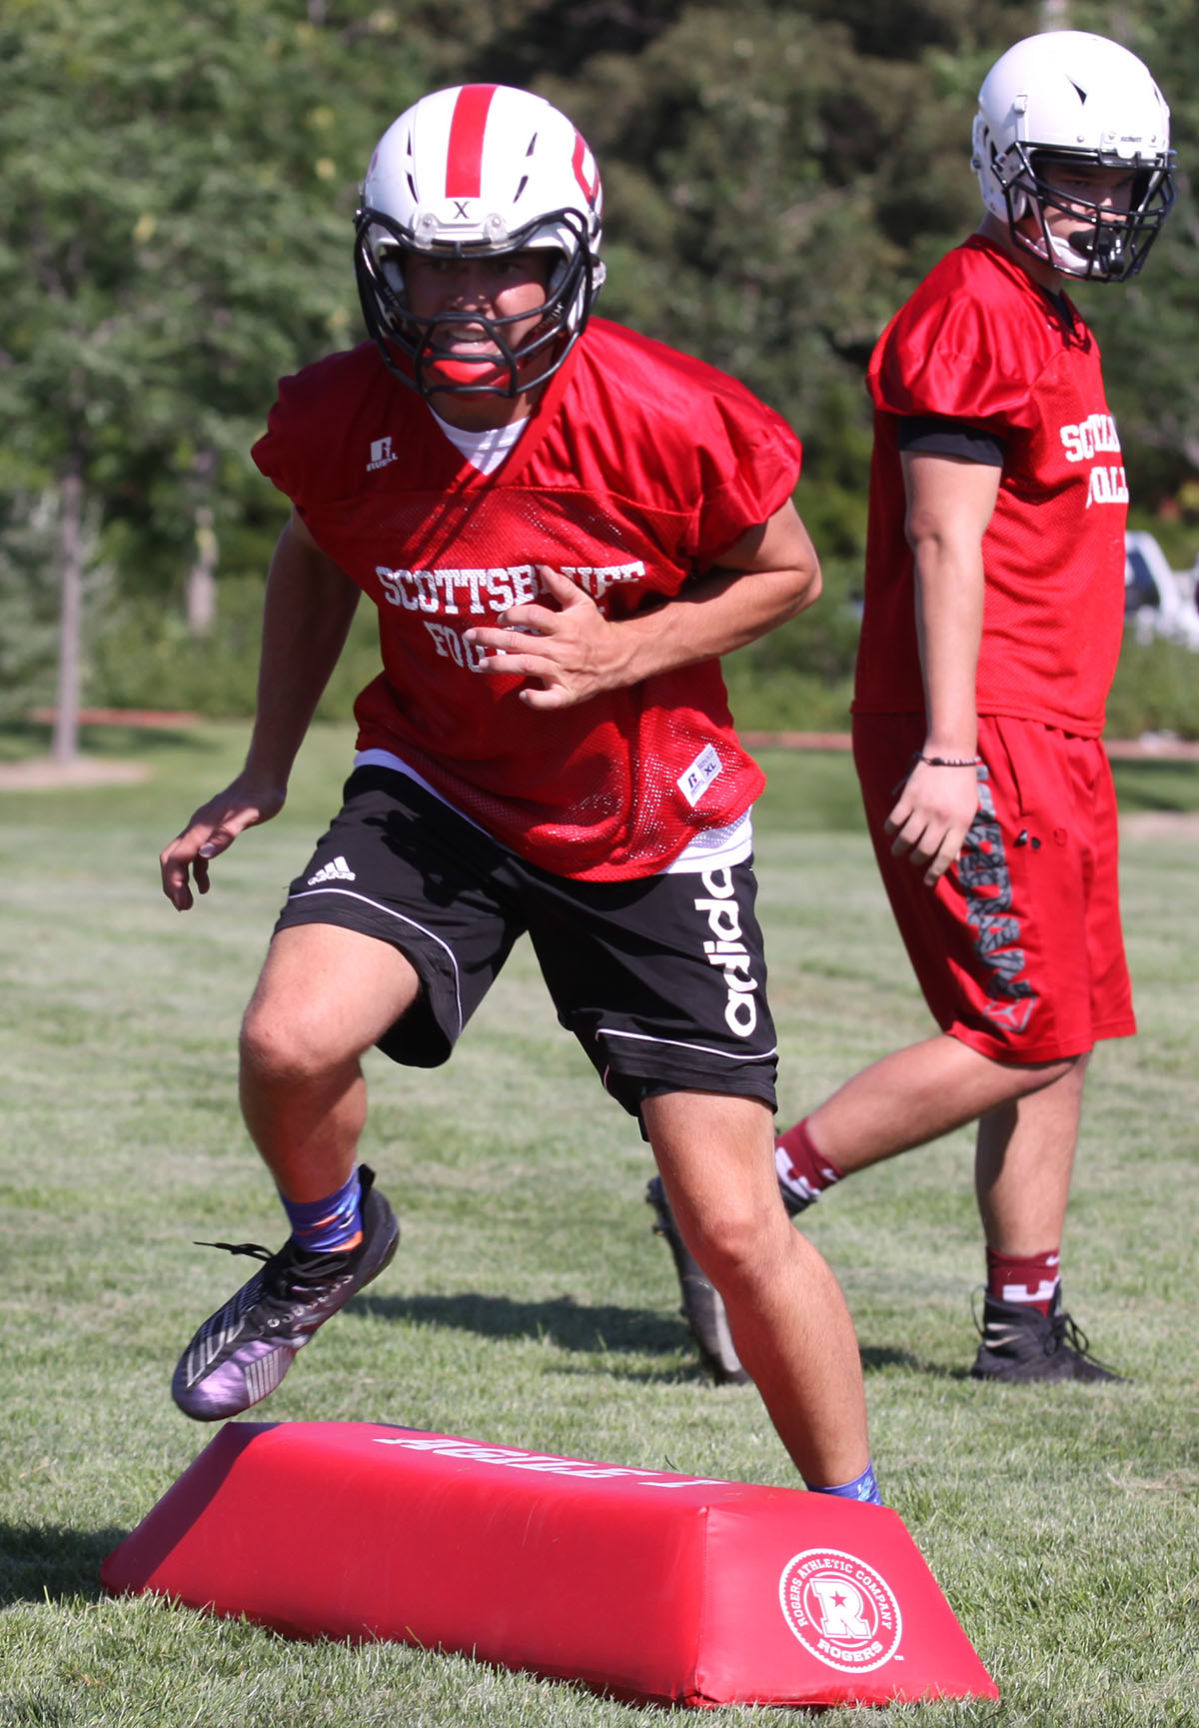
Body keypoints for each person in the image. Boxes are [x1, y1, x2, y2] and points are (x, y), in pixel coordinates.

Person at [160, 84, 881, 1502]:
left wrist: (624, 649)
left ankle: (855, 1531)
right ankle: (328, 1242)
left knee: (732, 1223)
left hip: (649, 828)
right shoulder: (335, 413)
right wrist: (265, 761)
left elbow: (788, 572)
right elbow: (315, 553)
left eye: (506, 264)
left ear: (575, 261)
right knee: (289, 1039)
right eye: (433, 262)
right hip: (438, 787)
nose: (468, 300)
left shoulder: (672, 413)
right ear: (382, 261)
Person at [650, 30, 1175, 1385]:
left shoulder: (1055, 317)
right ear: (1006, 163)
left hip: (1053, 726)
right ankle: (744, 1197)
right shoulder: (975, 307)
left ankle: (1023, 1323)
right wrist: (950, 751)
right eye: (1076, 176)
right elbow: (945, 544)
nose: (1102, 209)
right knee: (1016, 1027)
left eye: (1123, 185)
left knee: (1064, 1037)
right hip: (981, 728)